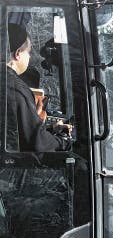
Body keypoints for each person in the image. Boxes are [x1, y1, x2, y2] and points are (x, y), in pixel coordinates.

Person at [6, 22, 71, 152]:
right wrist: (64, 142)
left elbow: (14, 131)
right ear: (18, 53)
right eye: (28, 52)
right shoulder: (15, 91)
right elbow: (37, 144)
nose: (29, 57)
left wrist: (50, 129)